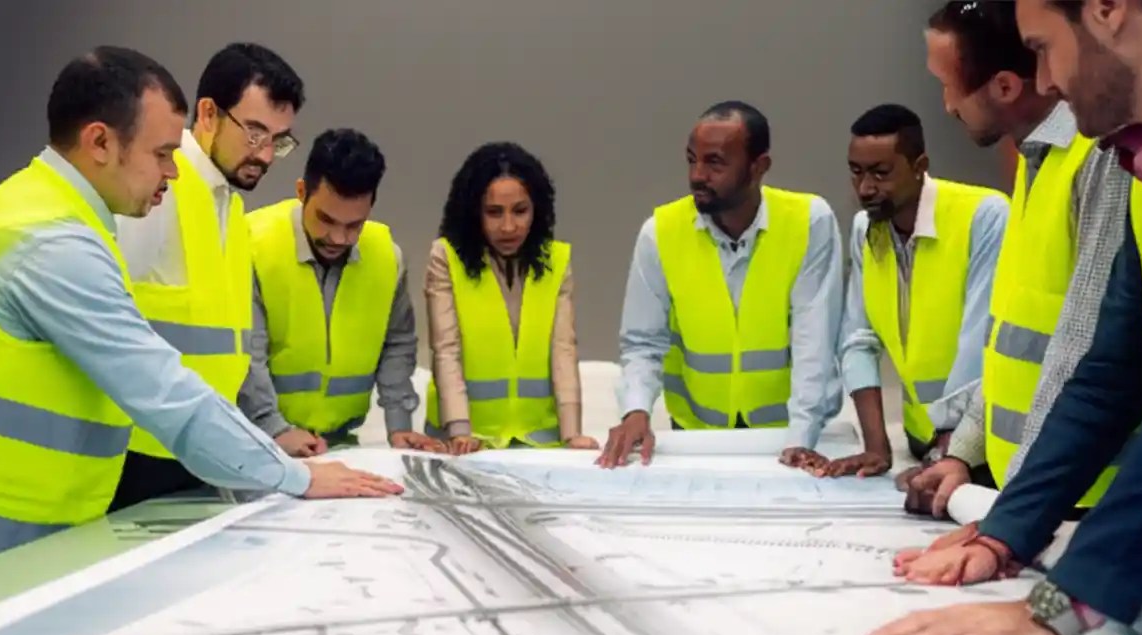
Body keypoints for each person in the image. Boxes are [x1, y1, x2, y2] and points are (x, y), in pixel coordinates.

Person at [867, 0, 1142, 635]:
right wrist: (1008, 533)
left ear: (1106, 9)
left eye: (1042, 47)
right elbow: (1109, 374)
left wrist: (1060, 603)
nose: (1042, 82)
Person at [0, 47, 397, 565]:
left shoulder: (47, 211)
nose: (173, 172)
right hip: (6, 538)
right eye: (162, 153)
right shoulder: (48, 242)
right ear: (100, 141)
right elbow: (157, 383)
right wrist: (293, 476)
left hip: (58, 518)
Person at [901, 0, 1133, 517]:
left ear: (1005, 87)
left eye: (947, 85)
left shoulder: (1097, 160)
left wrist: (1017, 514)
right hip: (1029, 496)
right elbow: (1014, 345)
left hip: (1078, 502)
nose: (944, 105)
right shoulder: (1034, 162)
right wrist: (963, 454)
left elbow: (1084, 353)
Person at [110, 42, 306, 511]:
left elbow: (232, 348)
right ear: (208, 113)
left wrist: (262, 432)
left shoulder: (232, 209)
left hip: (199, 451)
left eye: (279, 141)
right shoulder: (158, 192)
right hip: (137, 457)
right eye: (255, 132)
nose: (266, 155)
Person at [598, 101, 844, 470]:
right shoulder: (660, 232)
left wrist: (801, 438)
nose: (697, 175)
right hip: (697, 438)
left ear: (759, 167)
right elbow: (642, 343)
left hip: (789, 434)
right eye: (691, 159)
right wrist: (636, 411)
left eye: (715, 162)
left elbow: (816, 340)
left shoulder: (809, 222)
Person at [824, 103, 1007, 480]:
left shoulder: (984, 215)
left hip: (982, 440)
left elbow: (980, 342)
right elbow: (858, 339)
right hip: (923, 439)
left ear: (920, 165)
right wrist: (876, 447)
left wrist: (951, 452)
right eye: (856, 172)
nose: (865, 188)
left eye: (881, 173)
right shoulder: (865, 228)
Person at [239, 129, 444, 455]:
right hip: (256, 442)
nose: (338, 237)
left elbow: (397, 346)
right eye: (326, 219)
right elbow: (246, 352)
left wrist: (399, 426)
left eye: (354, 225)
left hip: (338, 444)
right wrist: (273, 428)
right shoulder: (251, 243)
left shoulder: (387, 257)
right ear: (302, 191)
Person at [423, 141, 596, 454]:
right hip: (461, 443)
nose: (508, 226)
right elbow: (446, 350)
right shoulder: (446, 258)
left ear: (537, 209)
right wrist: (459, 430)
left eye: (520, 211)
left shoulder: (556, 260)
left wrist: (572, 434)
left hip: (539, 441)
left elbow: (563, 351)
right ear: (473, 212)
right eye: (493, 212)